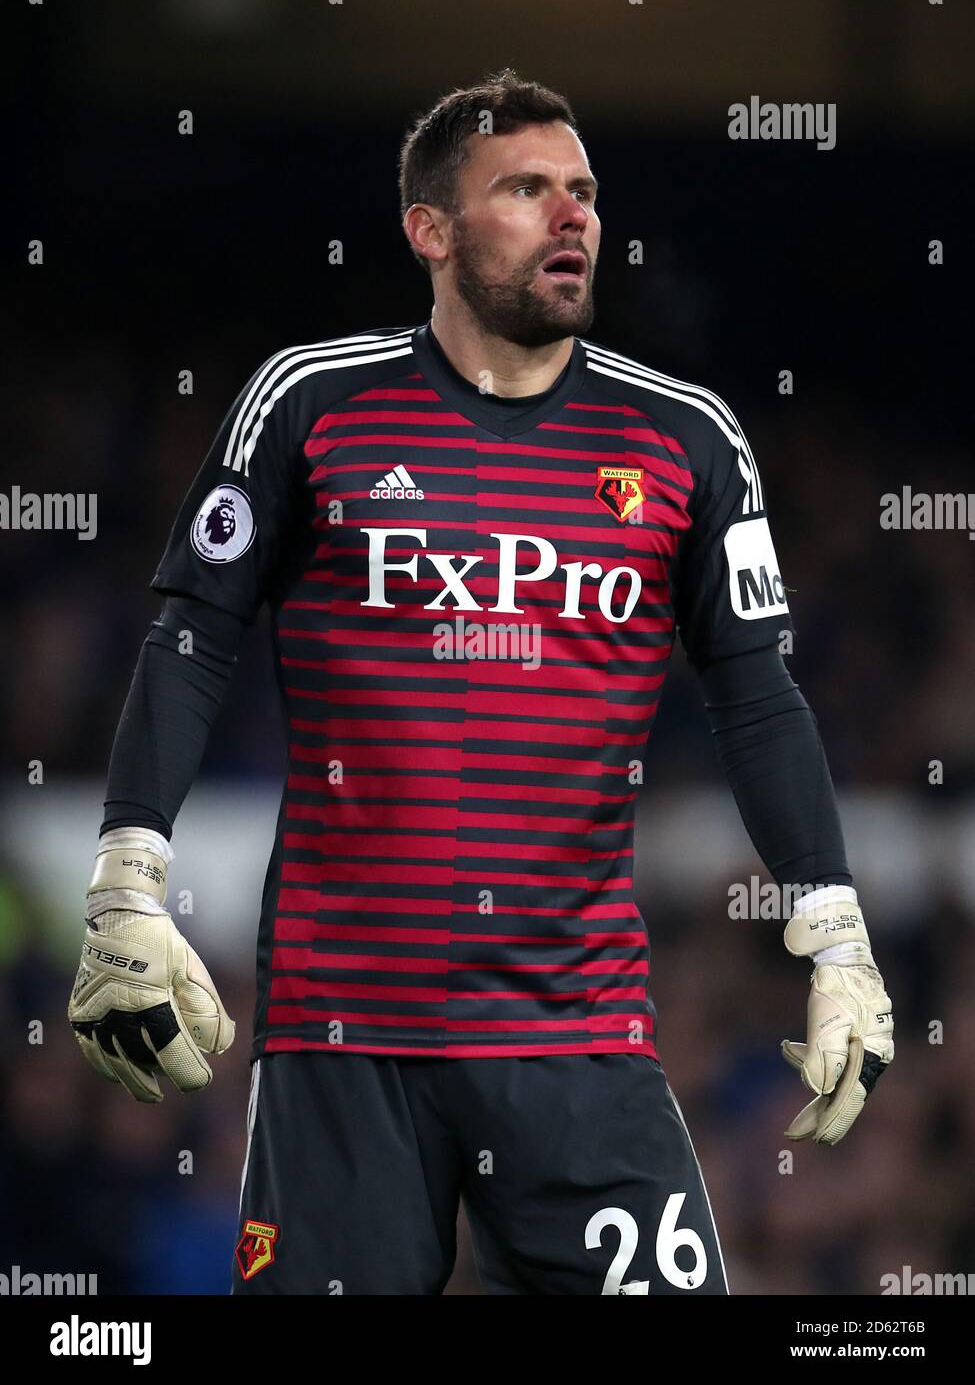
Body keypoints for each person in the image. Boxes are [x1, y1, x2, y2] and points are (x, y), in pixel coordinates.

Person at [68, 69, 893, 1296]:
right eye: (526, 190)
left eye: (584, 192)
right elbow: (193, 635)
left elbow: (758, 695)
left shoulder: (686, 438)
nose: (573, 217)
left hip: (576, 1032)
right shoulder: (311, 402)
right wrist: (126, 878)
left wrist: (835, 933)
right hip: (342, 1031)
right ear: (431, 231)